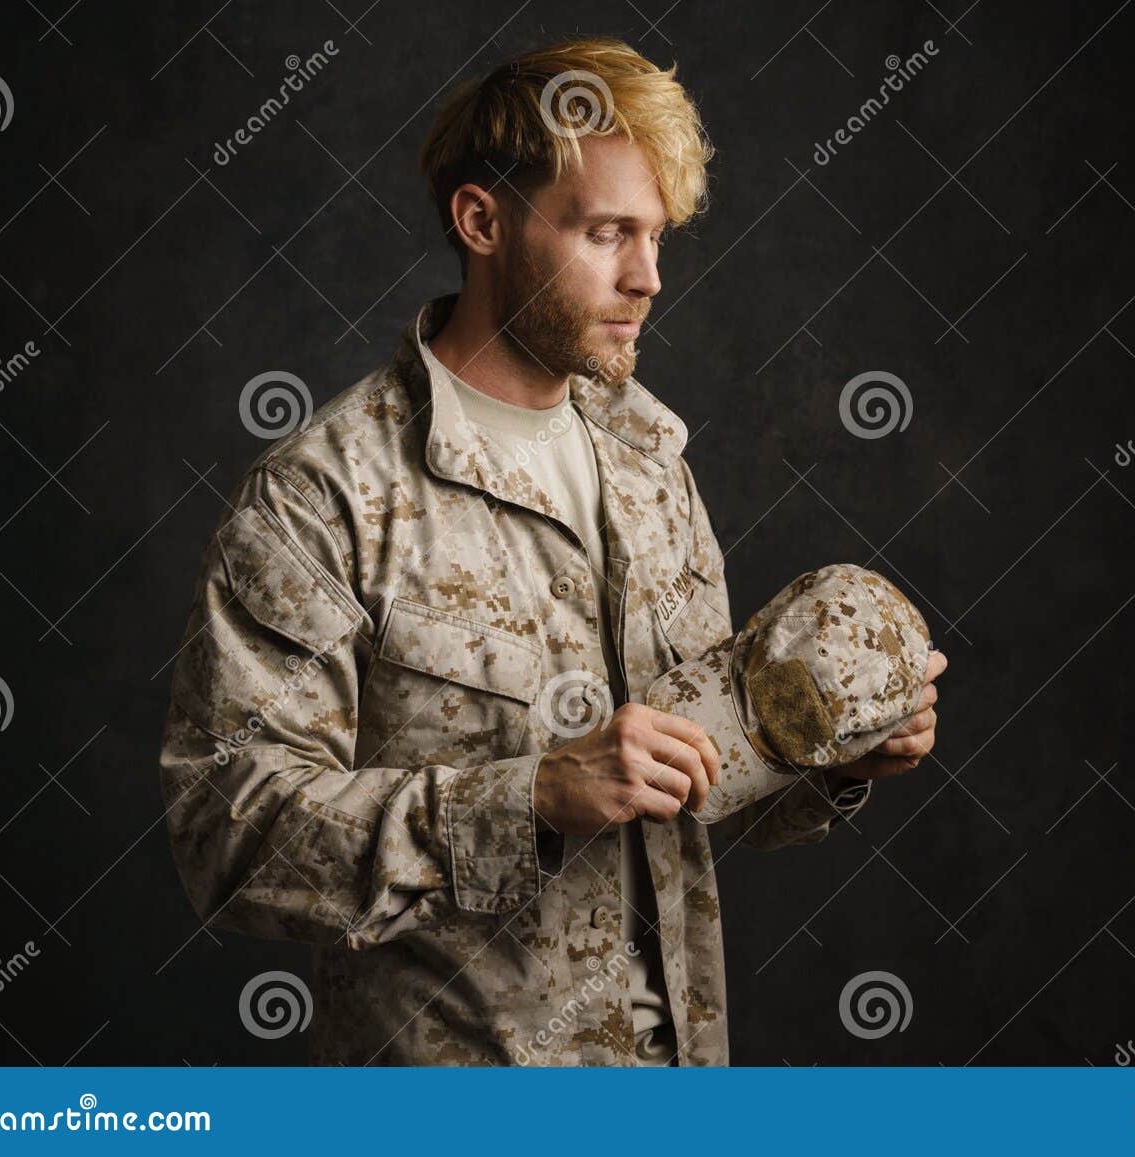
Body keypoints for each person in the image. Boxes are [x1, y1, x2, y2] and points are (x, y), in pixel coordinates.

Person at [158, 36, 946, 1067]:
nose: (647, 277)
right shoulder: (325, 495)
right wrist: (523, 796)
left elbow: (704, 782)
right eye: (606, 232)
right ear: (481, 220)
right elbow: (230, 832)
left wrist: (830, 751)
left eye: (656, 237)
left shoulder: (649, 459)